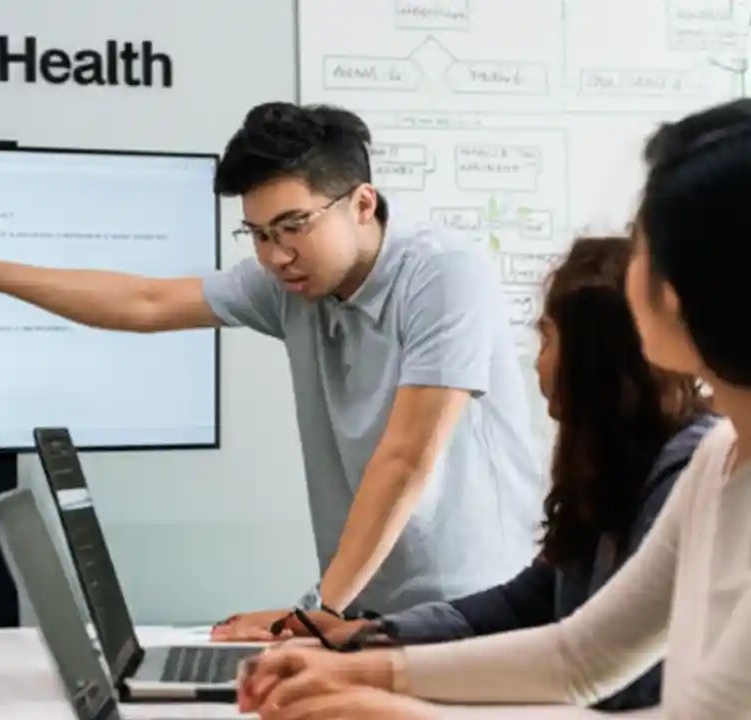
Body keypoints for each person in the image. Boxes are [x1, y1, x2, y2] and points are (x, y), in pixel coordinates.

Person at [0, 101, 546, 632]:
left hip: (475, 608)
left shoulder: (441, 275)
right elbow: (145, 302)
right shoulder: (291, 287)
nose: (276, 255)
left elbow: (408, 458)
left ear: (362, 204)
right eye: (258, 234)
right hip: (363, 613)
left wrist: (317, 611)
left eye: (293, 226)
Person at [235, 98, 751, 719]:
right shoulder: (717, 460)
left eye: (643, 241)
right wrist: (363, 666)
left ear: (687, 287)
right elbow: (580, 657)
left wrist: (399, 711)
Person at [316, 235, 716, 711]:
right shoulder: (618, 463)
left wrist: (394, 695)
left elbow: (622, 684)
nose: (538, 361)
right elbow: (531, 602)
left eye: (547, 338)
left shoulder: (688, 471)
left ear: (595, 358)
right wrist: (374, 640)